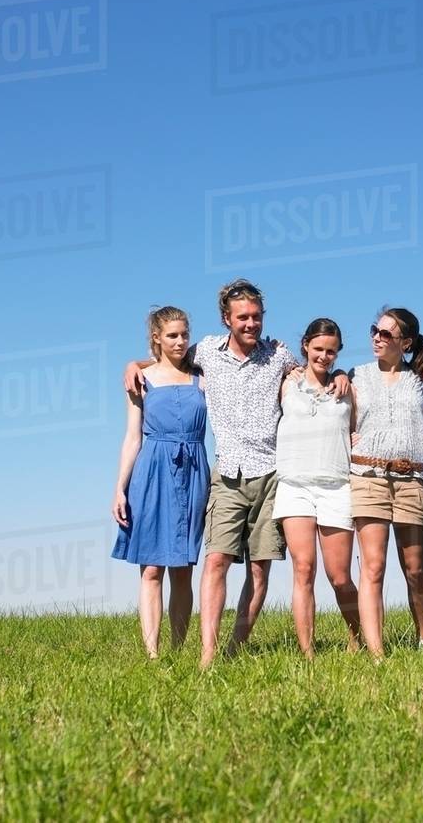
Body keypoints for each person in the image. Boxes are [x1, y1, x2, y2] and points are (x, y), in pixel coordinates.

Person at [123, 279, 348, 669]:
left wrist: (342, 372)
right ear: (226, 318)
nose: (251, 323)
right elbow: (168, 360)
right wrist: (134, 364)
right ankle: (208, 655)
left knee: (259, 571)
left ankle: (234, 647)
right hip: (227, 474)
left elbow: (314, 367)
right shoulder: (206, 351)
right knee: (215, 562)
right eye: (242, 317)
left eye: (256, 316)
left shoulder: (277, 354)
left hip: (272, 474)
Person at [111, 307, 208, 658]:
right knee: (151, 567)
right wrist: (120, 488)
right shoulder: (141, 378)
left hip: (194, 469)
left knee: (182, 568)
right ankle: (152, 654)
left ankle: (178, 650)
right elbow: (132, 437)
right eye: (172, 335)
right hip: (152, 470)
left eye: (184, 334)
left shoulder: (202, 375)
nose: (180, 341)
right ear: (157, 338)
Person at [350, 308, 423, 658]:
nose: (377, 338)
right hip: (367, 476)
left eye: (387, 333)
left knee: (415, 568)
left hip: (411, 478)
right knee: (373, 566)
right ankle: (377, 652)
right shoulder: (356, 376)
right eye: (375, 330)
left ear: (406, 342)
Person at [273, 318, 361, 658]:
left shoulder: (347, 387)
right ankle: (308, 651)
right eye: (319, 349)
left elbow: (357, 429)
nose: (324, 356)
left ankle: (358, 637)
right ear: (306, 346)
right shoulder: (286, 383)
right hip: (294, 485)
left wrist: (343, 378)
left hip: (336, 485)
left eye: (331, 352)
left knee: (339, 576)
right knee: (303, 568)